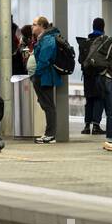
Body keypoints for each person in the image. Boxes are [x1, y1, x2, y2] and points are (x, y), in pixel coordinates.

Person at [31, 16, 64, 144]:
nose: (32, 27)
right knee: (46, 105)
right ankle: (48, 134)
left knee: (49, 105)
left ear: (42, 26)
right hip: (43, 75)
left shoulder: (48, 39)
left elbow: (44, 59)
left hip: (45, 76)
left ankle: (50, 134)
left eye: (34, 24)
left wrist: (36, 74)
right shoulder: (42, 39)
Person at [79, 17, 107, 135]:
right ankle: (96, 126)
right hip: (99, 74)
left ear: (93, 26)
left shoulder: (84, 42)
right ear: (103, 27)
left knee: (89, 99)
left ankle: (86, 126)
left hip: (87, 75)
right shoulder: (104, 42)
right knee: (99, 99)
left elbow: (81, 60)